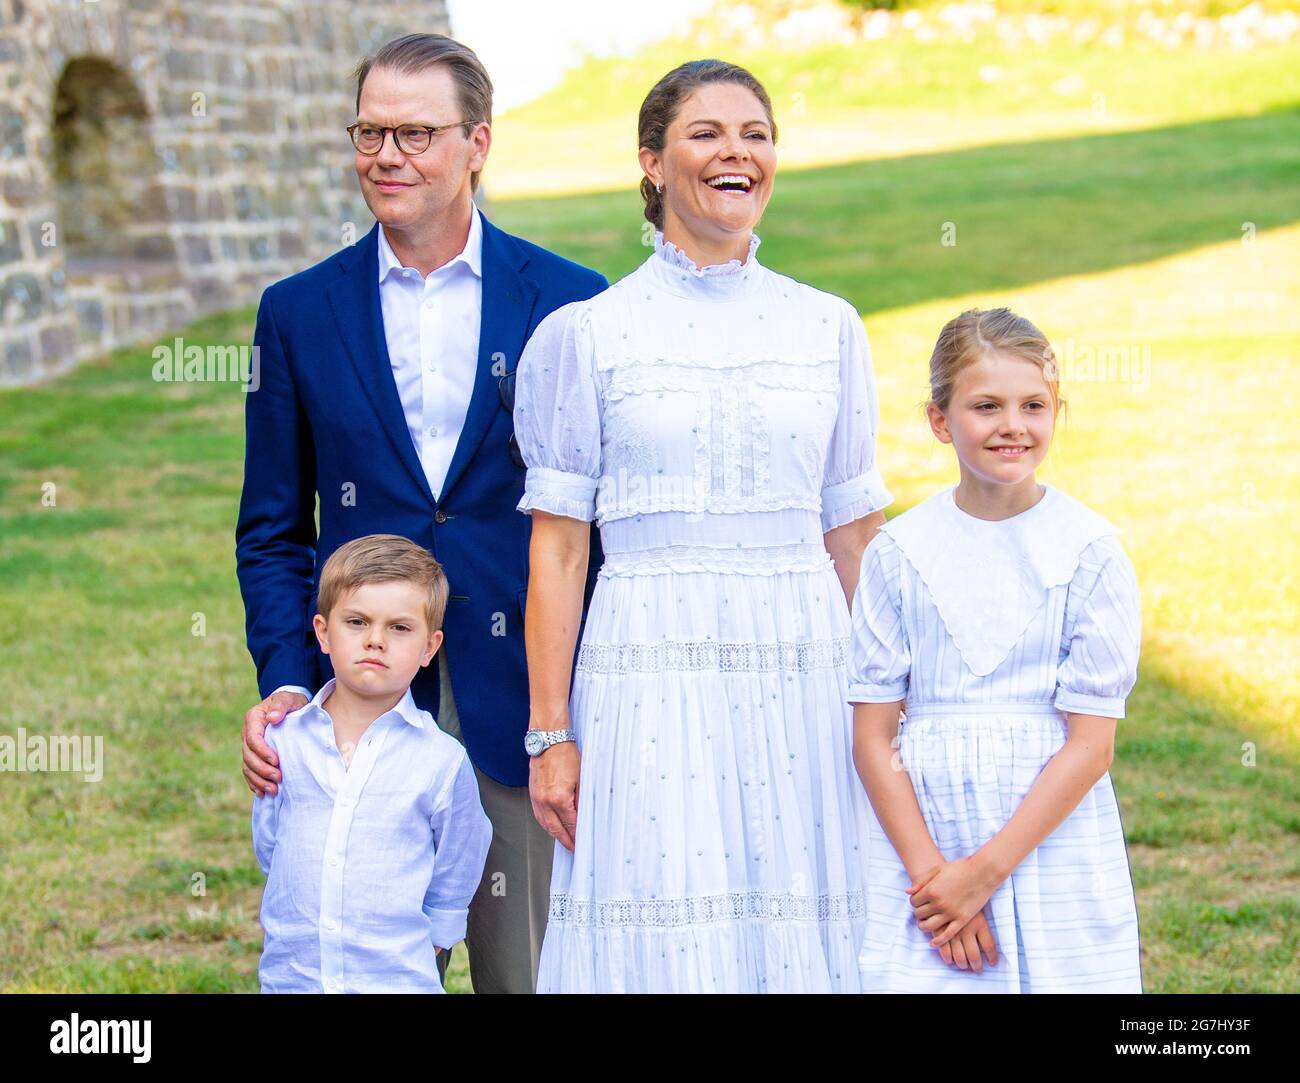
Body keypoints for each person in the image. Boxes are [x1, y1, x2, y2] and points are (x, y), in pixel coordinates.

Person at [235, 33, 607, 994]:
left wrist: (576, 702)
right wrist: (287, 682)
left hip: (525, 697)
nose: (386, 155)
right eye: (369, 132)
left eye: (414, 132)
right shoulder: (297, 311)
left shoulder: (572, 304)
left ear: (478, 142)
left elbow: (603, 528)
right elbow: (272, 528)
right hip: (357, 703)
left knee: (528, 970)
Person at [512, 59, 893, 993]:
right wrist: (548, 732)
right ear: (651, 161)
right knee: (658, 895)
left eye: (756, 134)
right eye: (707, 133)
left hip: (807, 657)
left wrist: (894, 693)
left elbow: (855, 533)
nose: (737, 152)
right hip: (647, 659)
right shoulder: (589, 333)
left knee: (811, 898)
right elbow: (560, 549)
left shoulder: (829, 326)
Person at [848, 306, 1143, 993]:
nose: (1013, 424)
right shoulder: (898, 552)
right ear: (940, 420)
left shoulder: (1089, 552)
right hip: (922, 838)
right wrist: (937, 884)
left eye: (1033, 405)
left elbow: (1090, 745)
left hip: (1046, 836)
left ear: (1056, 414)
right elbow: (871, 737)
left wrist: (982, 874)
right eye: (986, 405)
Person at [252, 534, 492, 993]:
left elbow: (461, 853)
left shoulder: (439, 759)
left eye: (399, 628)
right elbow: (272, 845)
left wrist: (438, 934)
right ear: (323, 632)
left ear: (429, 647)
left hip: (395, 978)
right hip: (296, 978)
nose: (375, 641)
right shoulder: (283, 741)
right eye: (357, 622)